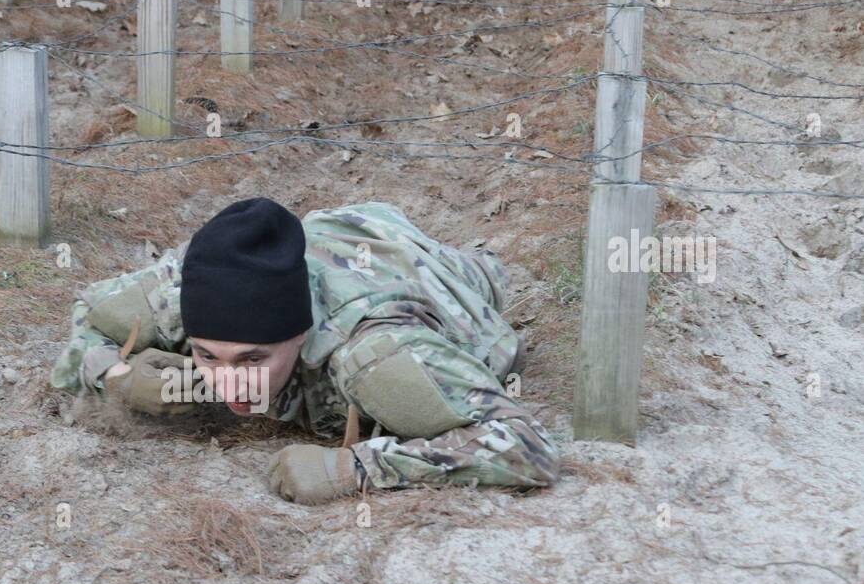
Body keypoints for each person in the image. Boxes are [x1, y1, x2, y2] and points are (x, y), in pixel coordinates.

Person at [50, 197, 561, 504]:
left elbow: (527, 450)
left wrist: (357, 469)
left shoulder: (373, 354)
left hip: (417, 263)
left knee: (484, 273)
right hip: (321, 239)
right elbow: (89, 316)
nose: (228, 385)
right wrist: (114, 374)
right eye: (207, 357)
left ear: (300, 335)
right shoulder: (177, 292)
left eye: (253, 359)